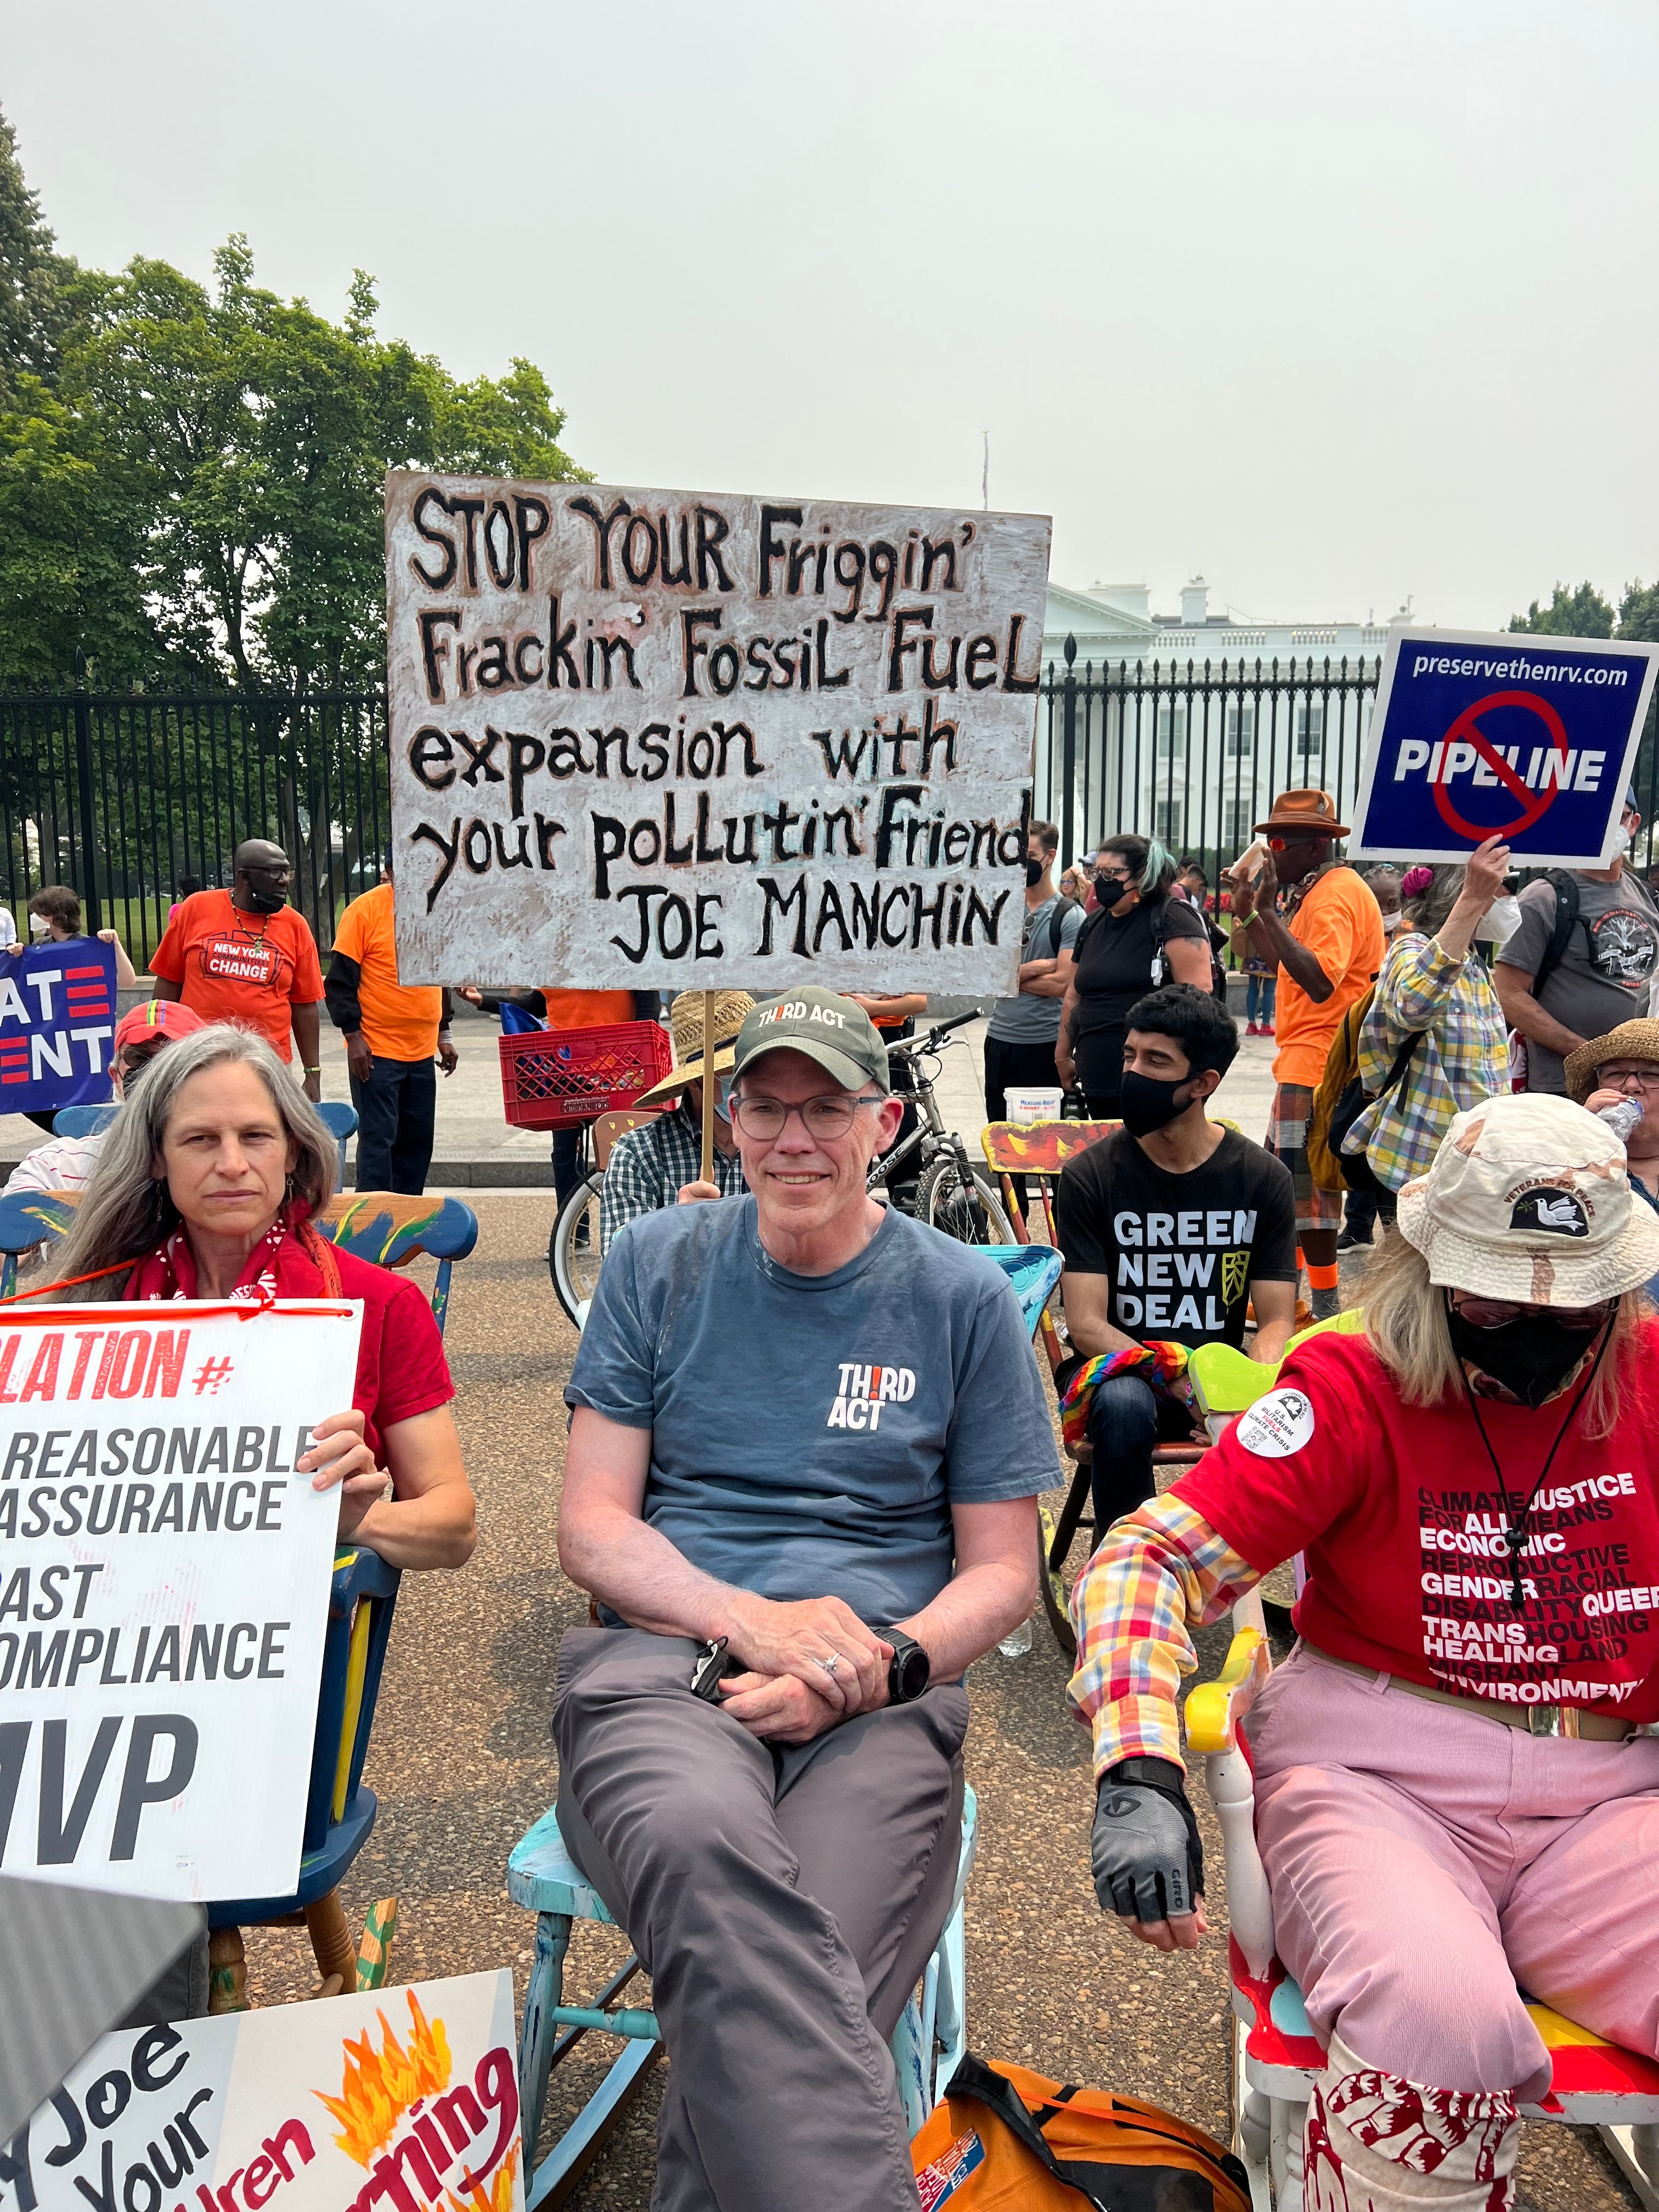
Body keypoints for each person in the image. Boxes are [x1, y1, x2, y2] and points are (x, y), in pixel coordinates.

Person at [1069, 1092, 1659, 2212]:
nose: (1535, 1326)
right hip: (1382, 1779)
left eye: (1573, 1306)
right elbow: (1152, 1560)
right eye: (1496, 1301)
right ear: (1434, 1264)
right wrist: (1137, 1766)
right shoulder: (1351, 1387)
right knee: (1438, 2016)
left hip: (1612, 1793)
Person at [556, 988, 1059, 2209]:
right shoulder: (656, 1264)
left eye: (826, 1107)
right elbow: (591, 1528)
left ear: (880, 1122)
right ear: (728, 1125)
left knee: (795, 1952)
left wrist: (874, 1670)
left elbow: (1006, 1571)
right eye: (768, 1108)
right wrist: (749, 1620)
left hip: (883, 1693)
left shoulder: (960, 1297)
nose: (796, 1138)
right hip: (671, 1667)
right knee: (696, 1845)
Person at [42, 1022, 478, 2019]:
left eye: (255, 1135)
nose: (232, 1161)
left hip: (277, 1694)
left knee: (109, 1842)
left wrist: (363, 1518)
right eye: (201, 1139)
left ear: (295, 1149)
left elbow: (453, 1527)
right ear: (157, 1156)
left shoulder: (375, 1307)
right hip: (99, 1674)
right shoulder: (96, 1304)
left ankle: (146, 2083)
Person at [1054, 984, 1297, 1536]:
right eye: (1129, 1055)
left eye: (1155, 1061)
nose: (1132, 1073)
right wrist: (1182, 1380)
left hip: (1216, 1371)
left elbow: (1278, 1318)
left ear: (1202, 1085)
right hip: (1113, 1371)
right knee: (1123, 1405)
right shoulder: (1091, 1176)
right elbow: (1088, 1324)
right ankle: (1122, 1574)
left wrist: (1247, 1392)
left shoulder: (1262, 1179)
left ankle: (1247, 1555)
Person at [1227, 789, 1384, 1319]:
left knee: (1307, 1199)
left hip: (1319, 1064)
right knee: (1284, 1185)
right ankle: (1288, 1299)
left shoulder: (1336, 894)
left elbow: (1319, 982)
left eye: (1280, 844)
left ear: (1316, 848)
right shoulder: (1317, 890)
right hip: (1305, 1059)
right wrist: (1249, 914)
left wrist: (1268, 909)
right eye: (1268, 842)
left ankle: (1324, 1307)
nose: (1270, 853)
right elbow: (1279, 962)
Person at [1335, 840, 1511, 1248]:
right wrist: (1472, 898)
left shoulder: (1473, 963)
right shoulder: (1409, 950)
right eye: (1496, 891)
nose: (1501, 901)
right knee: (1414, 1296)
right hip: (1418, 1163)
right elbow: (1414, 1006)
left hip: (1471, 1166)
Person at [1494, 789, 1659, 1097]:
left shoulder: (1646, 897)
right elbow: (1508, 994)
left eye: (1619, 818)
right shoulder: (1545, 897)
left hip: (1641, 1087)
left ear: (1634, 824)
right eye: (1599, 816)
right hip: (1565, 1088)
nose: (1610, 827)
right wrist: (1590, 1056)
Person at [149, 840, 326, 1100]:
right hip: (196, 1060)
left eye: (288, 872)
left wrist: (313, 1073)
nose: (285, 881)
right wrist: (157, 1050)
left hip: (268, 1065)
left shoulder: (295, 925)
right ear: (244, 876)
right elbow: (168, 985)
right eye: (275, 872)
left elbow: (305, 1004)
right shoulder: (196, 908)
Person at [1056, 835, 1213, 1117]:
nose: (1101, 880)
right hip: (1096, 1078)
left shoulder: (1172, 917)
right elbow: (1074, 995)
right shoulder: (1093, 923)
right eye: (1097, 872)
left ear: (1141, 876)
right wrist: (1062, 1056)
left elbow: (1198, 995)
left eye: (1112, 872)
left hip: (1153, 1080)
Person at [325, 863, 459, 1194]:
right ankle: (373, 1224)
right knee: (379, 1140)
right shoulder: (365, 911)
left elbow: (438, 977)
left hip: (421, 1052)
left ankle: (406, 1218)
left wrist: (444, 1035)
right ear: (392, 872)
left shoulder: (435, 908)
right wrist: (354, 1037)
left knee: (417, 1140)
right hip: (376, 1051)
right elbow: (340, 982)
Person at [599, 988, 753, 1252]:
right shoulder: (639, 1153)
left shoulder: (783, 1144)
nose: (751, 1089)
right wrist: (674, 1229)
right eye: (733, 1077)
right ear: (695, 1082)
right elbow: (621, 1260)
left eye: (758, 1073)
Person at [4, 999, 206, 1194]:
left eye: (173, 1058)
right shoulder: (55, 1168)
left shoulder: (229, 1167)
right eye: (138, 1057)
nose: (157, 1071)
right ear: (116, 1078)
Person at [984, 817, 1082, 1149]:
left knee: (1047, 1145)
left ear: (1050, 857)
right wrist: (1034, 969)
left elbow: (1062, 984)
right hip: (1000, 1041)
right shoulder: (1001, 907)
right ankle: (1014, 1205)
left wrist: (1008, 975)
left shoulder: (1069, 915)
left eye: (1029, 853)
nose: (1020, 861)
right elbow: (986, 972)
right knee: (1002, 1141)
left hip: (1044, 1045)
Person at [7, 886, 142, 1128]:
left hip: (80, 1035)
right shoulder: (39, 946)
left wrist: (115, 945)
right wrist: (14, 954)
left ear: (56, 916)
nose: (35, 918)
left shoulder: (91, 947)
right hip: (51, 1034)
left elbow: (128, 980)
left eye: (40, 912)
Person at [1363, 865, 1404, 940]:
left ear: (1402, 901)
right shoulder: (1352, 937)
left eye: (1392, 903)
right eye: (1375, 904)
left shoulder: (1413, 936)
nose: (1384, 912)